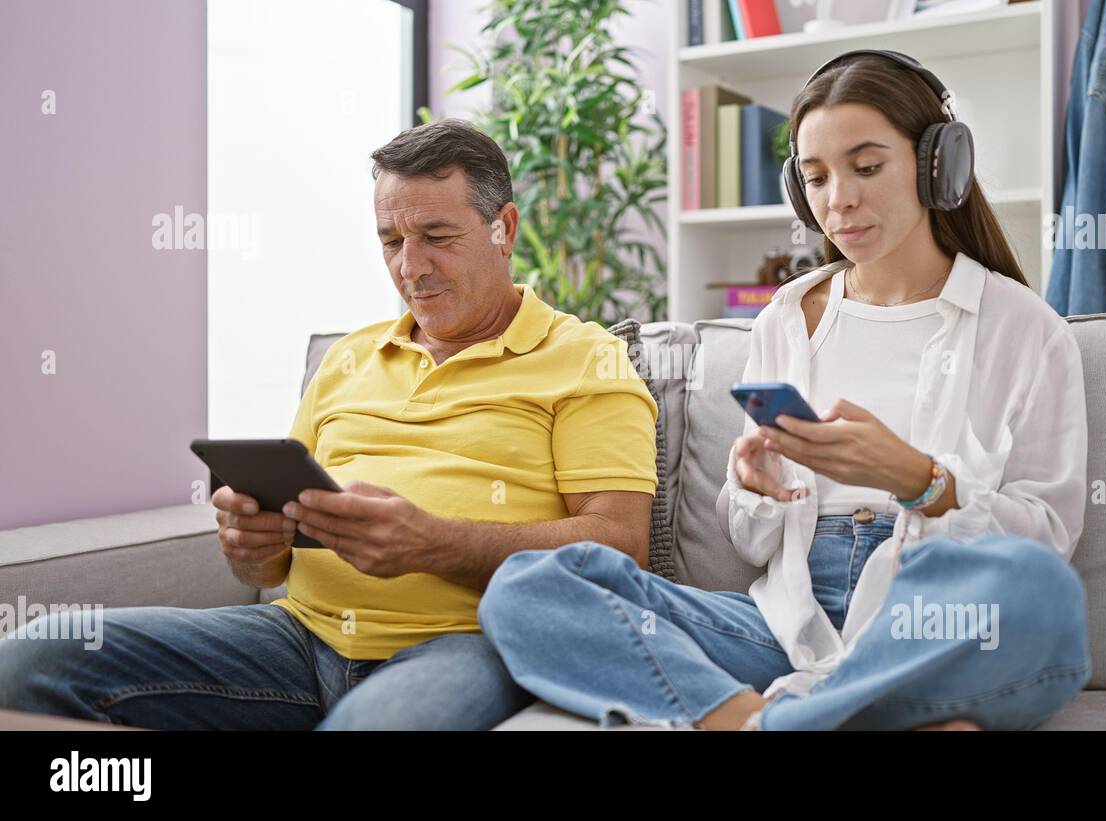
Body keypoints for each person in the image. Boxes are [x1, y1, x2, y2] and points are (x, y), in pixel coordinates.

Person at [477, 51, 1091, 730]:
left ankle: (787, 717)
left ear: (937, 165)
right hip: (782, 620)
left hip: (927, 610)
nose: (840, 200)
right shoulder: (786, 319)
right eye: (817, 177)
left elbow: (1047, 535)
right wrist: (758, 488)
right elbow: (751, 541)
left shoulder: (1026, 329)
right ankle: (779, 716)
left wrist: (920, 479)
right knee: (526, 586)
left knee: (1042, 594)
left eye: (866, 167)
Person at [0, 119, 658, 730]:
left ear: (503, 228)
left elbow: (619, 548)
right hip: (293, 638)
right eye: (391, 241)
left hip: (466, 641)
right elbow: (271, 558)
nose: (410, 267)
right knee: (28, 658)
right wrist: (252, 543)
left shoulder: (584, 358)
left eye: (437, 237)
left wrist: (437, 542)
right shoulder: (348, 357)